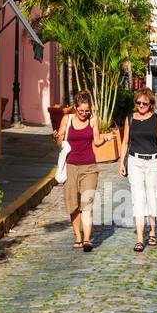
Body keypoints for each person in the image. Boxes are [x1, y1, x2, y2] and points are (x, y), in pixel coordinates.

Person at [55, 91, 116, 252]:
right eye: (81, 111)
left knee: (87, 203)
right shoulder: (67, 120)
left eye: (87, 111)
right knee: (73, 204)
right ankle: (78, 238)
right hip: (70, 167)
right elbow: (60, 143)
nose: (84, 114)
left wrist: (105, 139)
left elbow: (96, 141)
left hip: (89, 167)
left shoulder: (93, 120)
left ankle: (87, 239)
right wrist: (57, 138)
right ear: (75, 108)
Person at [117, 88, 157, 252]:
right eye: (138, 103)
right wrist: (121, 163)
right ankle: (140, 238)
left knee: (152, 197)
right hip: (135, 161)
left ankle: (152, 232)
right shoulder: (130, 118)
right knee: (138, 198)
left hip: (153, 162)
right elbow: (125, 142)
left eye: (144, 103)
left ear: (151, 104)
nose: (141, 105)